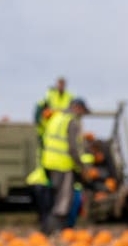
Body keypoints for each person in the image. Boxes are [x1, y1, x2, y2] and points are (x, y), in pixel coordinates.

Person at [39, 98, 88, 234]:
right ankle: (56, 231)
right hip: (63, 165)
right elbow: (73, 148)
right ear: (77, 107)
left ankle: (47, 230)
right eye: (82, 111)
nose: (82, 115)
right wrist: (82, 166)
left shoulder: (56, 118)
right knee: (63, 200)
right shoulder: (71, 121)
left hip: (49, 163)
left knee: (54, 199)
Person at [34, 77, 73, 145]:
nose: (61, 85)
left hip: (64, 124)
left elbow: (73, 109)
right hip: (50, 124)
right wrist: (39, 120)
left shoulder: (69, 96)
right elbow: (40, 106)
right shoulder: (50, 95)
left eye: (63, 83)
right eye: (60, 83)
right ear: (57, 84)